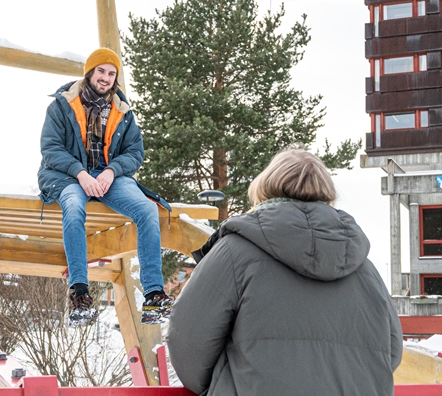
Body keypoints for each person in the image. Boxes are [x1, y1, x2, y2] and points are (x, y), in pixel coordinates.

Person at [167, 149, 403, 395]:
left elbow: (187, 341)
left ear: (264, 190)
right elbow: (391, 350)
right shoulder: (364, 269)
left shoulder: (234, 253)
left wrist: (222, 386)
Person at [38, 47, 173, 326]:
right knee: (74, 207)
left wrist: (112, 171)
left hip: (108, 176)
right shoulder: (62, 106)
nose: (106, 78)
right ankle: (79, 294)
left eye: (112, 73)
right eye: (101, 71)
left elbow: (135, 152)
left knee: (148, 211)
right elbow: (51, 149)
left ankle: (153, 294)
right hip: (67, 175)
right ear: (90, 73)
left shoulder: (122, 111)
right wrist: (80, 173)